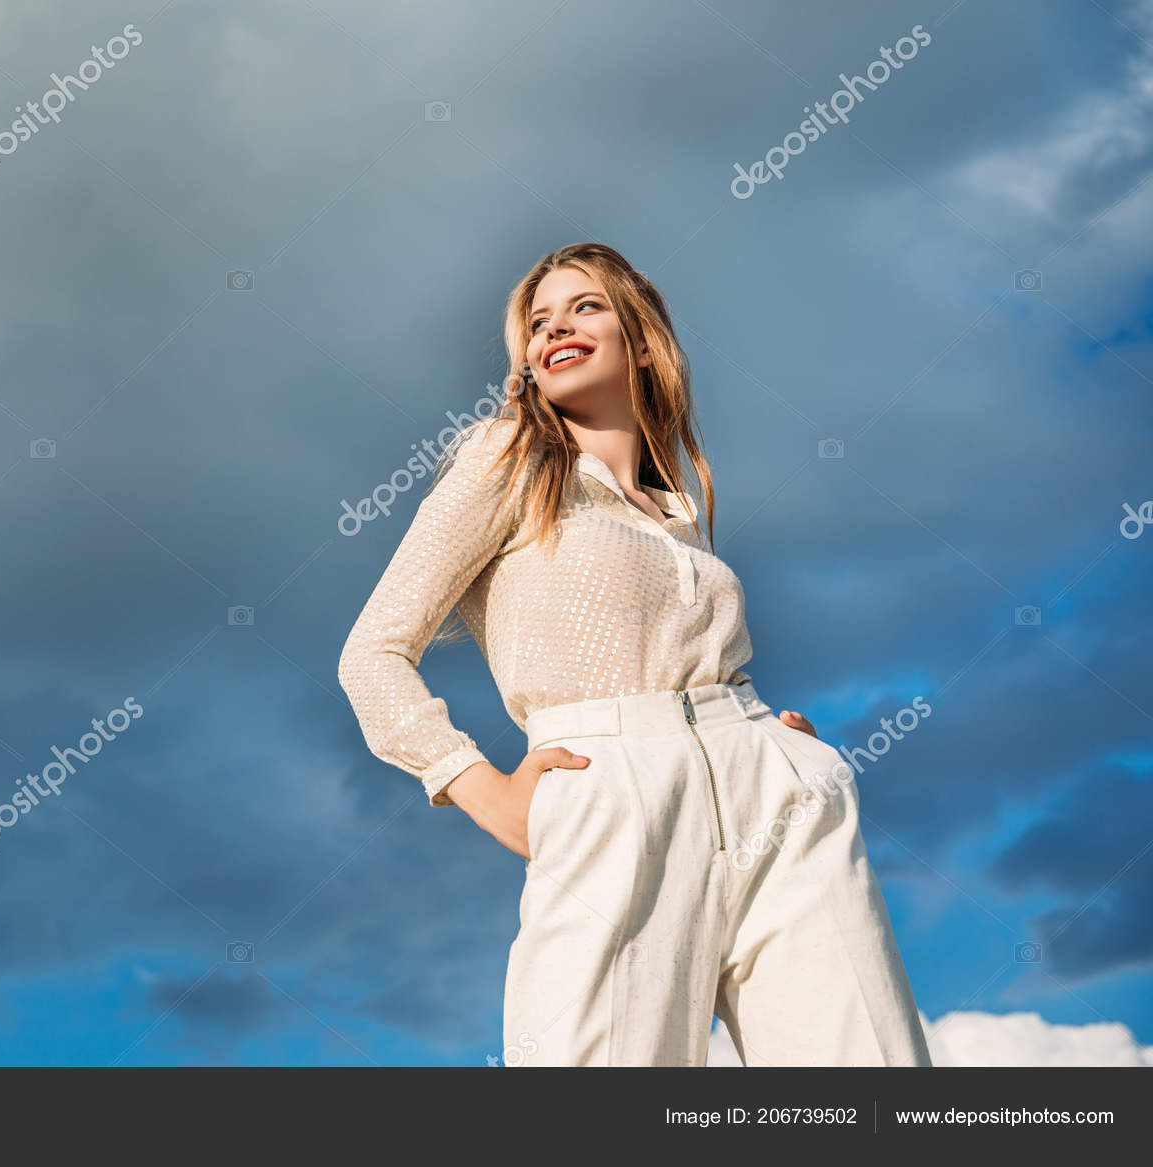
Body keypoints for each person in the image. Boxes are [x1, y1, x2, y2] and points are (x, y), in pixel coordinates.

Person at [336, 242, 931, 1067]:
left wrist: (787, 748)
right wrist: (485, 793)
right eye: (538, 323)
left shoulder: (680, 509)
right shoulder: (509, 460)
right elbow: (372, 654)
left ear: (642, 340)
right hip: (608, 788)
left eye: (585, 307)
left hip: (774, 786)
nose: (555, 329)